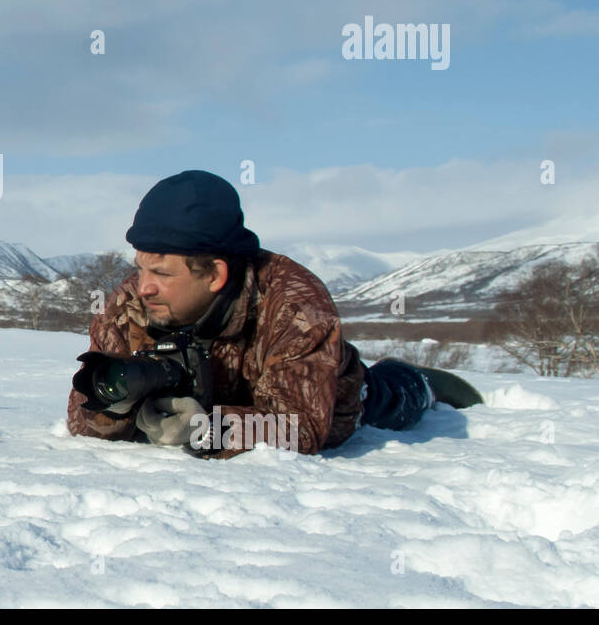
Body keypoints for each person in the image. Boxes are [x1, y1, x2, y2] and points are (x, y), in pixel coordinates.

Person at [67, 170, 483, 459]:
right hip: (233, 399)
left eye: (160, 272)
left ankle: (420, 384)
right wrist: (120, 407)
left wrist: (207, 429)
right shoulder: (132, 303)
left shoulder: (295, 304)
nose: (143, 286)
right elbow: (82, 415)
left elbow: (301, 429)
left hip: (333, 399)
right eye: (140, 267)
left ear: (215, 274)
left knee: (383, 397)